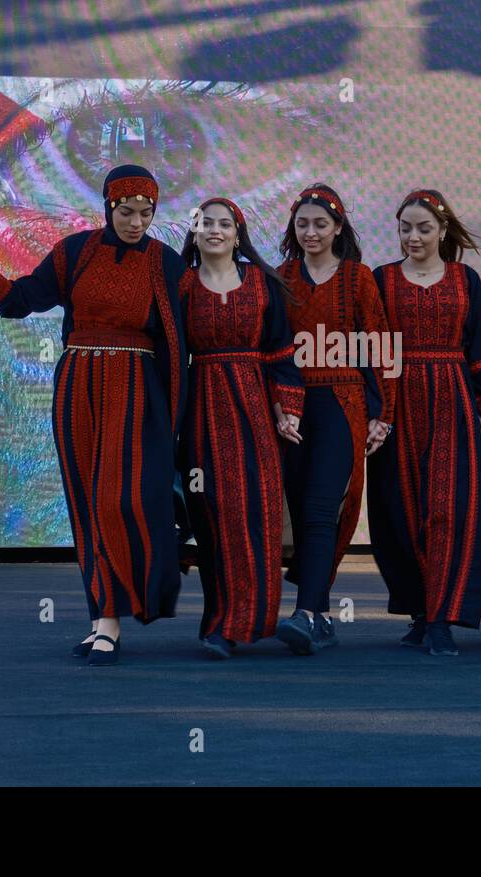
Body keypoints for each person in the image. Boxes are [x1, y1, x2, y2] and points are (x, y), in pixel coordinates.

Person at [0, 164, 186, 665]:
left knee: (114, 501)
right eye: (126, 211)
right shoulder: (76, 252)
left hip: (136, 392)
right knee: (85, 502)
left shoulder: (165, 263)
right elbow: (20, 301)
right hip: (78, 385)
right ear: (107, 206)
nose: (136, 221)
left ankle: (121, 610)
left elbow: (181, 336)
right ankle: (104, 620)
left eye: (146, 213)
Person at [367, 189, 481, 657]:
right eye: (405, 228)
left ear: (443, 231)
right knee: (401, 511)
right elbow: (371, 350)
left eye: (423, 228)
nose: (413, 237)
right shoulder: (380, 279)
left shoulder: (466, 280)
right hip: (397, 402)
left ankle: (444, 618)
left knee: (450, 508)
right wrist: (376, 413)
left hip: (453, 400)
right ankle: (421, 610)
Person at [177, 198, 305, 659]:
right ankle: (218, 624)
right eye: (205, 223)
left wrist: (288, 409)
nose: (214, 230)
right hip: (202, 412)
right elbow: (172, 353)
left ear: (238, 232)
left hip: (254, 410)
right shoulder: (182, 285)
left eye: (223, 224)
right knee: (213, 517)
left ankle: (249, 618)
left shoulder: (262, 283)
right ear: (194, 232)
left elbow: (279, 352)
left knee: (256, 514)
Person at [275, 184, 395, 655]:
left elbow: (380, 349)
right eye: (302, 224)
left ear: (338, 227)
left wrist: (382, 414)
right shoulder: (280, 277)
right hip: (295, 405)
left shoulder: (357, 278)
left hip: (343, 402)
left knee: (326, 505)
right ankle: (319, 616)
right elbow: (274, 348)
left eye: (320, 224)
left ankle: (305, 614)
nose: (310, 232)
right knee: (303, 510)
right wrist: (281, 404)